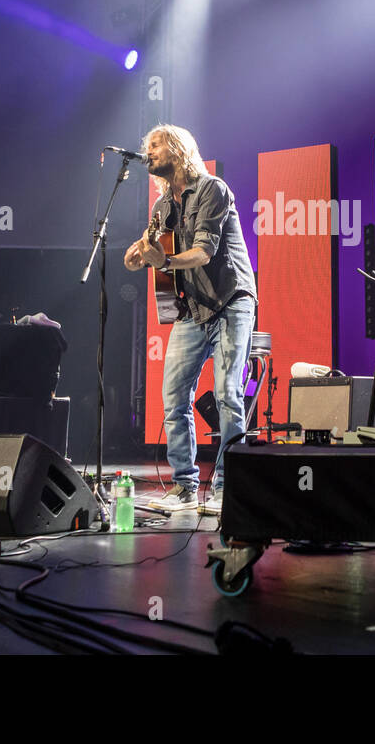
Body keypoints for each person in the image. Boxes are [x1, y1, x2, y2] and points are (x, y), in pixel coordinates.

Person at [124, 125, 257, 511]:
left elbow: (203, 252)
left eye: (154, 145)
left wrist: (162, 260)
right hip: (191, 308)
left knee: (228, 395)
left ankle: (227, 488)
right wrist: (137, 255)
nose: (147, 152)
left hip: (230, 302)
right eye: (145, 147)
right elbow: (150, 248)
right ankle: (184, 485)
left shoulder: (213, 188)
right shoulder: (161, 206)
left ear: (178, 149)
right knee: (173, 397)